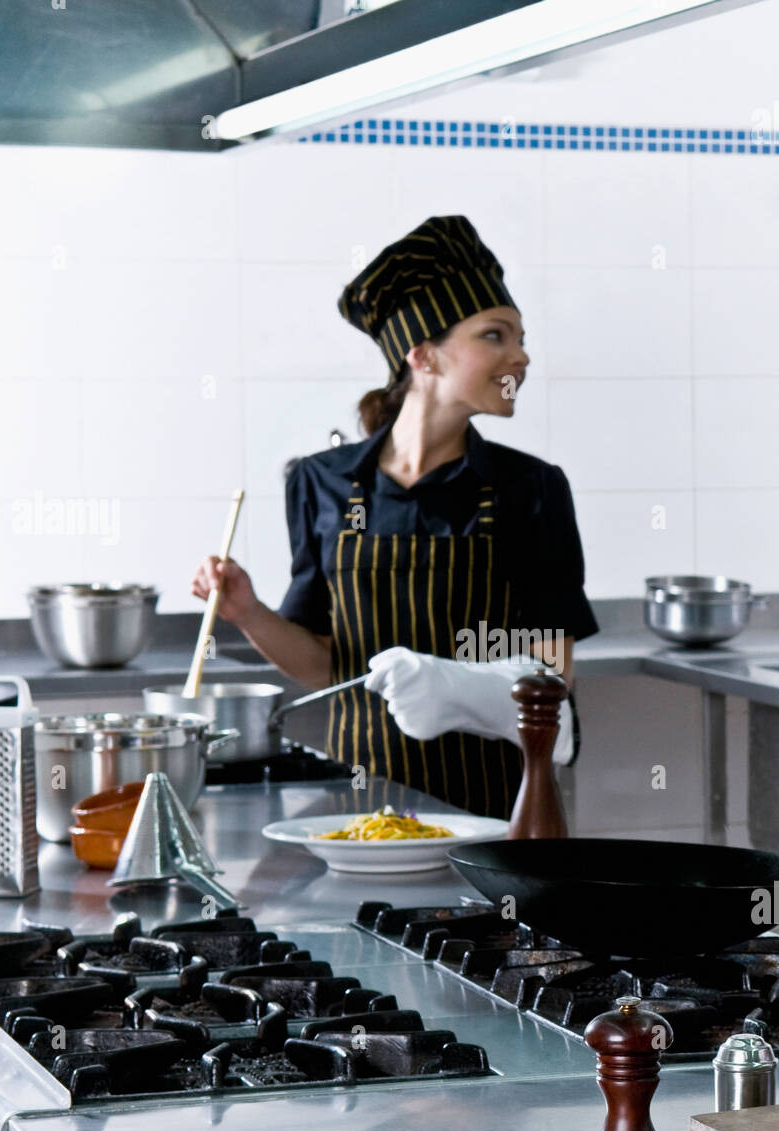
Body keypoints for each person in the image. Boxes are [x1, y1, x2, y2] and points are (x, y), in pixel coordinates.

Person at [191, 215, 597, 819]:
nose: (521, 355)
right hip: (358, 809)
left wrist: (450, 686)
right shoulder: (321, 482)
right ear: (423, 355)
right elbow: (327, 663)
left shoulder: (528, 488)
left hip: (488, 809)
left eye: (520, 337)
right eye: (496, 336)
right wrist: (247, 613)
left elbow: (551, 678)